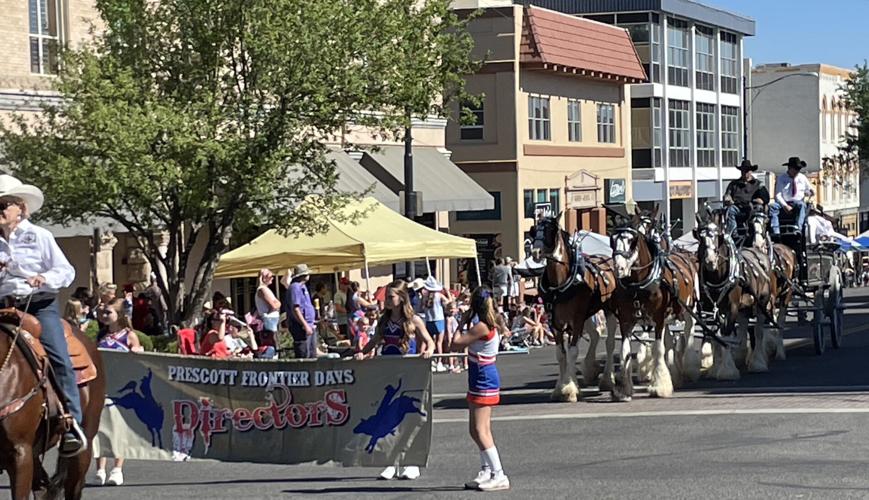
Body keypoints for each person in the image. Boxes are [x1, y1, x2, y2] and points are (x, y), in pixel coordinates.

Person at [0, 175, 86, 456]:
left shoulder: (40, 236)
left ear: (20, 208)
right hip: (3, 305)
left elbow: (66, 271)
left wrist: (44, 278)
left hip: (38, 305)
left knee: (59, 357)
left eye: (4, 205)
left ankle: (72, 423)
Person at [355, 280, 434, 480]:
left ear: (401, 298)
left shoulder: (414, 320)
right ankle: (391, 462)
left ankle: (411, 462)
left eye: (391, 297)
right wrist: (362, 353)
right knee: (387, 418)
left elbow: (429, 341)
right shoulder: (383, 321)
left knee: (409, 419)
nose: (387, 301)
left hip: (409, 372)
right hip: (388, 372)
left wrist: (428, 351)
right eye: (387, 297)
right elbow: (374, 342)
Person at [450, 286, 510, 492]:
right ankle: (486, 470)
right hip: (479, 374)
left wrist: (462, 321)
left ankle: (499, 473)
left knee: (479, 430)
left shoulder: (482, 326)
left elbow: (455, 344)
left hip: (484, 376)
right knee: (476, 430)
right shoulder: (490, 322)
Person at [94, 297, 143, 486]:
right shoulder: (100, 335)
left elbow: (137, 355)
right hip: (102, 386)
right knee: (99, 428)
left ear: (119, 315)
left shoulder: (128, 335)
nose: (104, 316)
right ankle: (99, 469)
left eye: (108, 312)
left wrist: (137, 351)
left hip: (121, 388)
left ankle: (117, 469)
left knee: (118, 429)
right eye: (103, 312)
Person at [723, 159, 770, 235]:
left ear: (751, 171)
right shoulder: (734, 184)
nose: (745, 173)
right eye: (743, 171)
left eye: (747, 171)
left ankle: (757, 234)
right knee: (730, 210)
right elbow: (727, 195)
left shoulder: (758, 184)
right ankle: (733, 235)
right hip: (738, 207)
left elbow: (766, 198)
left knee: (758, 210)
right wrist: (727, 198)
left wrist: (760, 201)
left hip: (752, 207)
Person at [770, 156, 814, 235]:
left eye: (799, 169)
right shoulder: (781, 178)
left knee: (801, 205)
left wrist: (809, 193)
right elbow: (778, 195)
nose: (797, 171)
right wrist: (785, 205)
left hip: (797, 203)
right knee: (772, 207)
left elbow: (810, 190)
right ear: (789, 168)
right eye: (795, 169)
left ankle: (797, 229)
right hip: (784, 202)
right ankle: (775, 231)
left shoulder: (802, 178)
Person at [287, 264, 317, 359]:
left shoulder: (303, 287)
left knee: (312, 353)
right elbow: (296, 309)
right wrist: (305, 325)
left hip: (310, 325)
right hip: (300, 327)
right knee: (304, 354)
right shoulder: (295, 287)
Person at [422, 276, 449, 373]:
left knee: (429, 342)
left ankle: (431, 360)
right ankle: (439, 362)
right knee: (439, 342)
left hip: (429, 320)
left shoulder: (424, 297)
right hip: (439, 320)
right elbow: (448, 302)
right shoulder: (439, 295)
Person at [255, 268, 281, 355]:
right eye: (270, 276)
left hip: (271, 320)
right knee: (270, 344)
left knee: (273, 343)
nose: (272, 278)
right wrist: (277, 304)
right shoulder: (262, 289)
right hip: (269, 320)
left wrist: (277, 303)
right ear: (264, 278)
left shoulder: (265, 289)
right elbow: (274, 305)